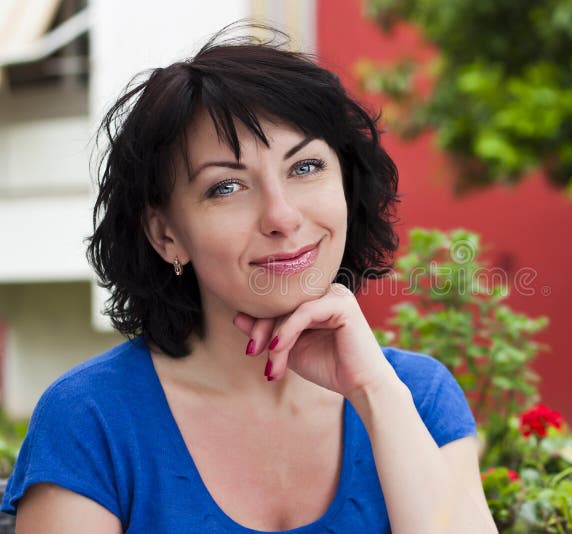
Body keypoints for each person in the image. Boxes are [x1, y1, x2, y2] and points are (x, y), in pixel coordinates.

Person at [0, 24, 497, 534]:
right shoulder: (91, 418)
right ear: (166, 234)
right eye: (226, 186)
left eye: (305, 167)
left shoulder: (418, 396)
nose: (281, 216)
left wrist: (374, 391)